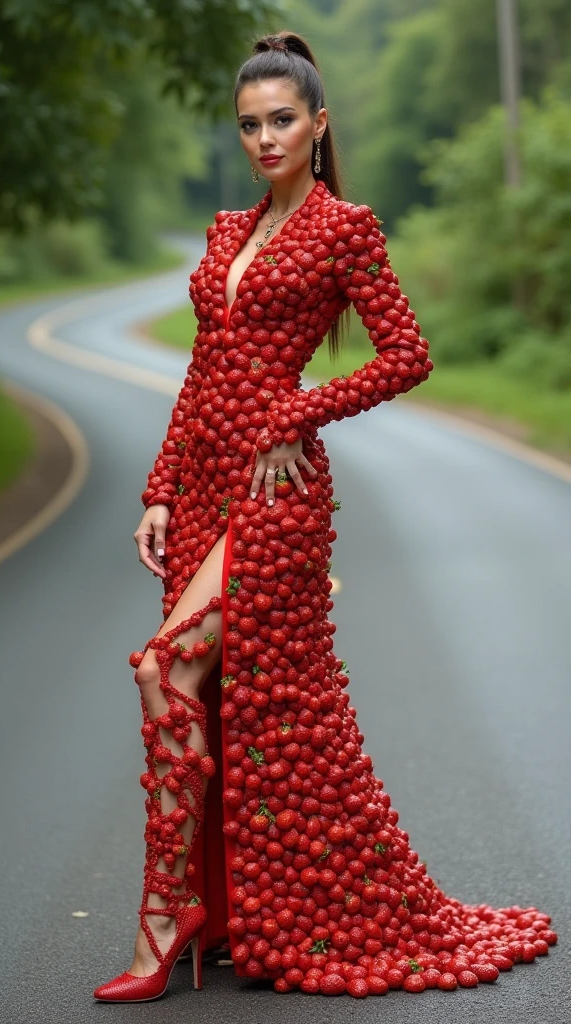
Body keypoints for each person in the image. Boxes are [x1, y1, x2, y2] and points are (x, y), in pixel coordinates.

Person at [93, 31, 557, 1003]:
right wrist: (159, 489)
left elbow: (407, 354)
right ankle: (223, 912)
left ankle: (163, 920)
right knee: (217, 696)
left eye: (282, 120)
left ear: (319, 124)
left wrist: (299, 410)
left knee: (162, 669)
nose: (265, 138)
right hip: (205, 481)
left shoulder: (345, 228)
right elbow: (202, 371)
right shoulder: (227, 231)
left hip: (276, 493)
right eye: (249, 124)